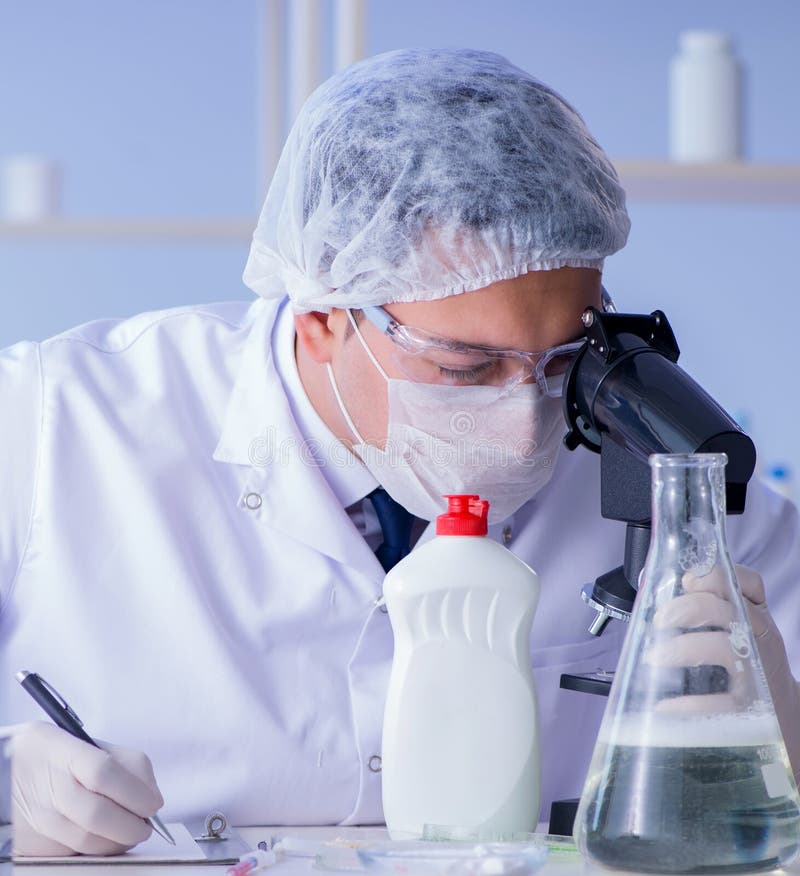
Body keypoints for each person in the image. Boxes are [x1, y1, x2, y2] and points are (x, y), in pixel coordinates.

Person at [2, 48, 799, 856]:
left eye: (563, 359)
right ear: (321, 315)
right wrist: (11, 779)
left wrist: (780, 734)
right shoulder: (51, 421)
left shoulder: (667, 471)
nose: (525, 419)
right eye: (465, 366)